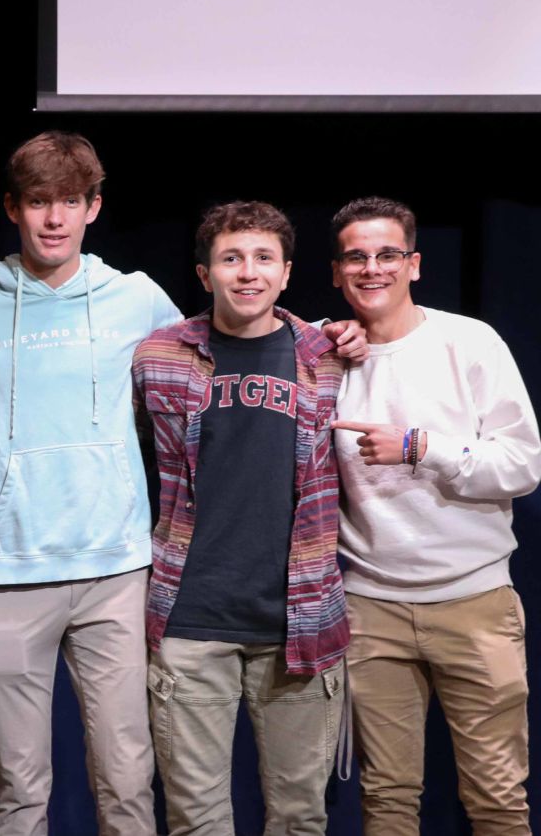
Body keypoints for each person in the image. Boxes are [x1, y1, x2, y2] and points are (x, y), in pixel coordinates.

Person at [0, 131, 180, 835]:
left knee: (126, 779)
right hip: (3, 571)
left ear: (93, 207)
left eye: (70, 202)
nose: (54, 218)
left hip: (114, 568)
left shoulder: (137, 299)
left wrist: (318, 336)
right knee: (18, 791)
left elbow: (223, 348)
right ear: (12, 209)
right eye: (38, 202)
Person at [133, 201, 351, 836]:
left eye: (263, 259)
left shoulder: (330, 357)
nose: (247, 273)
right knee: (197, 818)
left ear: (286, 273)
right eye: (231, 259)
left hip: (301, 621)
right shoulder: (159, 357)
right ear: (205, 275)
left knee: (299, 816)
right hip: (192, 621)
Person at [329, 196, 541, 835]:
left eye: (387, 254)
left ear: (414, 264)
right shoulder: (324, 352)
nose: (373, 269)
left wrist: (421, 448)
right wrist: (326, 337)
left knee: (497, 799)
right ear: (337, 272)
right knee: (387, 799)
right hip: (371, 609)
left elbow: (522, 465)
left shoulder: (468, 341)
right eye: (356, 257)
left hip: (473, 604)